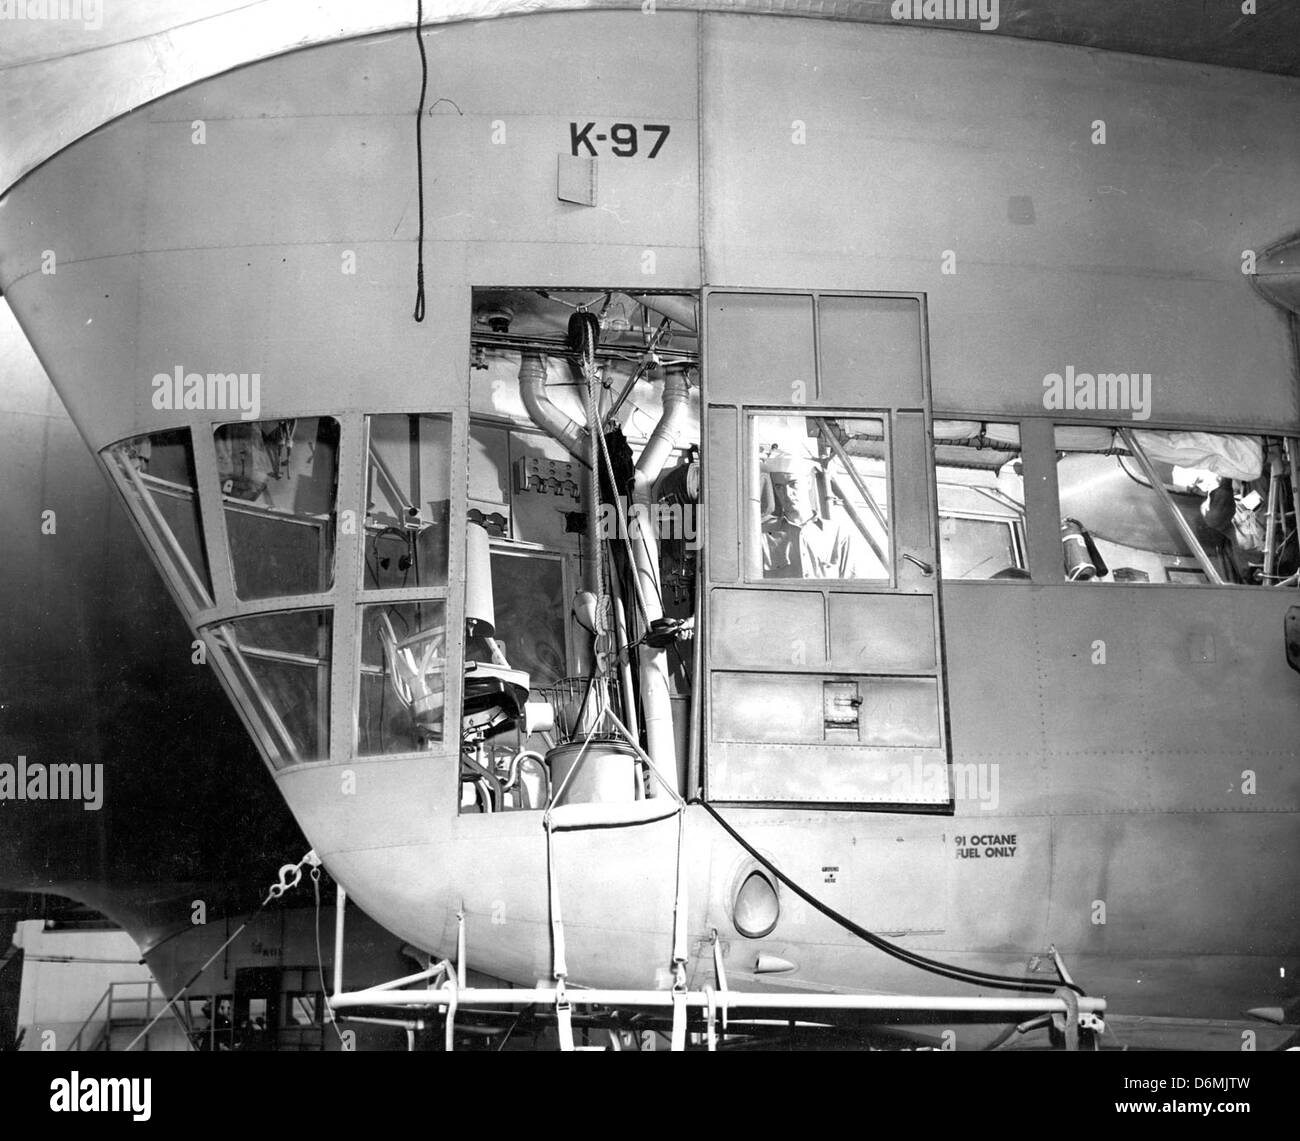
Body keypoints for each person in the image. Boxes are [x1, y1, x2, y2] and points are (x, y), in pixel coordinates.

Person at [760, 452, 870, 579]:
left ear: (808, 482)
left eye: (793, 484)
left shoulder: (838, 535)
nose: (787, 494)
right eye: (779, 487)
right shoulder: (763, 536)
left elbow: (853, 590)